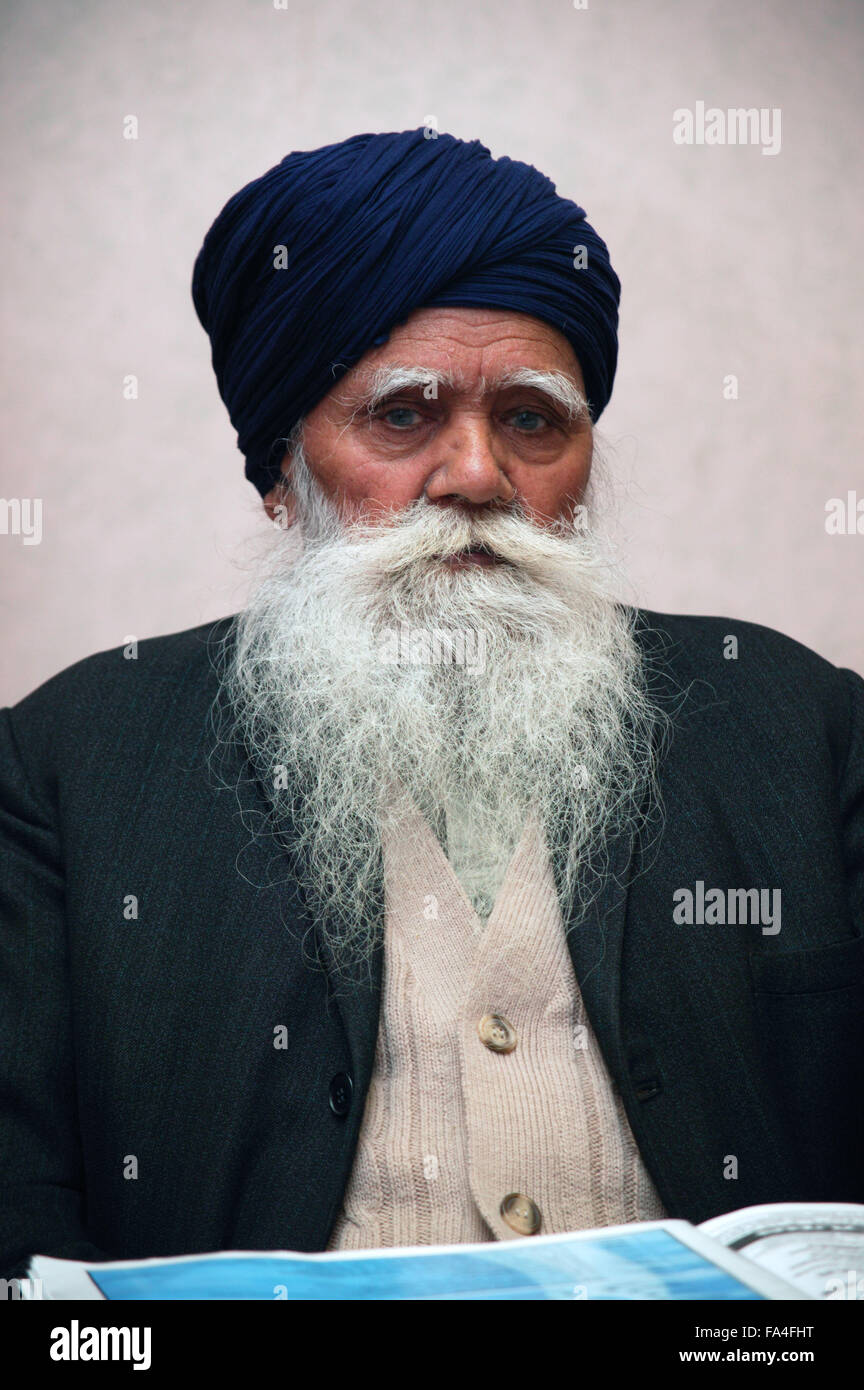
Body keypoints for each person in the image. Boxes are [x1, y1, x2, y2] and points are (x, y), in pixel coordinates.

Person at [1, 129, 861, 1281]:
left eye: (531, 419)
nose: (476, 475)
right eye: (403, 417)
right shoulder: (72, 763)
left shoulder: (801, 727)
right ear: (280, 472)